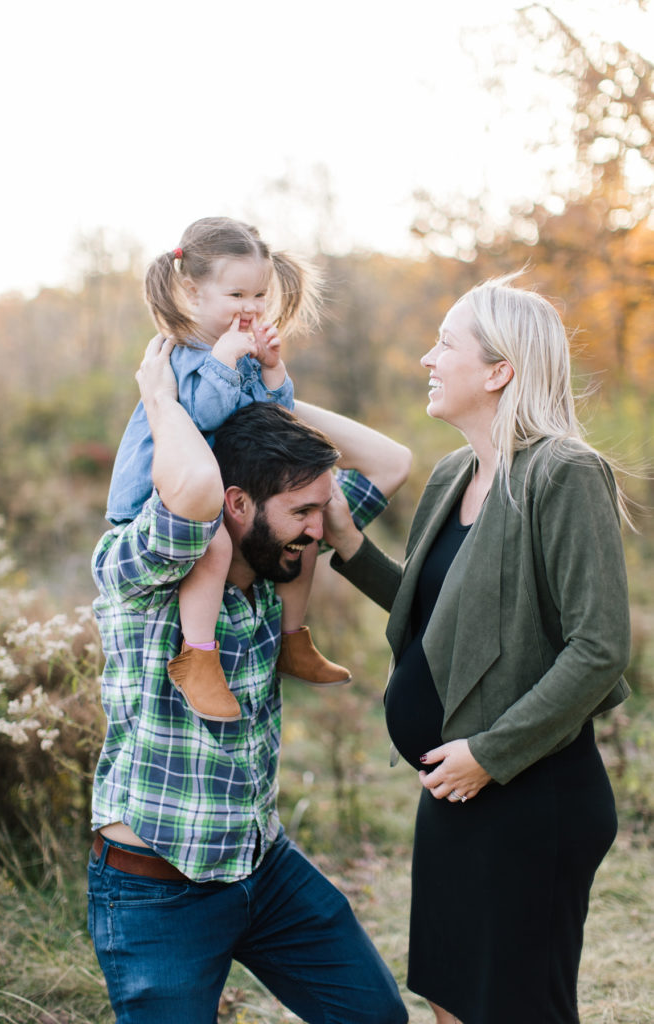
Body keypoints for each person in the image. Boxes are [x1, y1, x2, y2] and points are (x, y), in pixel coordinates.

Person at [325, 276, 631, 1024]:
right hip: (455, 795)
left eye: (445, 343)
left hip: (531, 796)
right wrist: (346, 543)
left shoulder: (563, 474)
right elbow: (434, 615)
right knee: (450, 1000)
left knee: (517, 1008)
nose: (427, 357)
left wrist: (489, 754)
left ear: (498, 370)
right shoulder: (453, 474)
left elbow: (599, 650)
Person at [88, 334, 411, 1024]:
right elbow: (191, 495)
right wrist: (166, 399)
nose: (318, 532)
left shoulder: (277, 566)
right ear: (235, 505)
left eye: (319, 512)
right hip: (157, 892)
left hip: (259, 865)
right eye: (303, 513)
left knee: (375, 1016)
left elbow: (389, 461)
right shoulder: (150, 570)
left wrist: (270, 401)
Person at [106, 216, 350, 724]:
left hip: (215, 492)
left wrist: (272, 369)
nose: (252, 307)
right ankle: (198, 657)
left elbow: (271, 420)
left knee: (302, 546)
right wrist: (224, 362)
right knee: (213, 543)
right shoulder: (185, 353)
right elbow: (197, 421)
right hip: (159, 501)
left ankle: (294, 639)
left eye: (260, 295)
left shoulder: (233, 351)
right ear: (193, 291)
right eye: (237, 294)